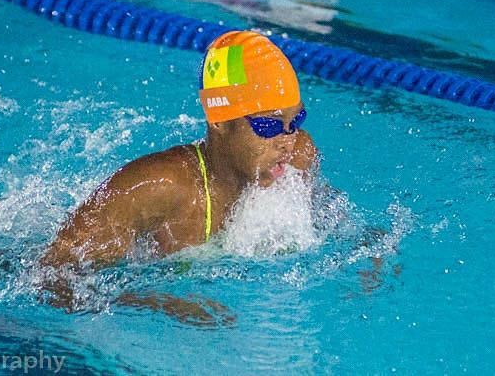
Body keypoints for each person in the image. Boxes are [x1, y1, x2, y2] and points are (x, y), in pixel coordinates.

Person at [38, 30, 316, 325]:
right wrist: (155, 303)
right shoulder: (156, 187)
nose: (287, 140)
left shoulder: (299, 155)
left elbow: (322, 213)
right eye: (268, 126)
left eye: (295, 121)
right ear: (220, 121)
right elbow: (51, 276)